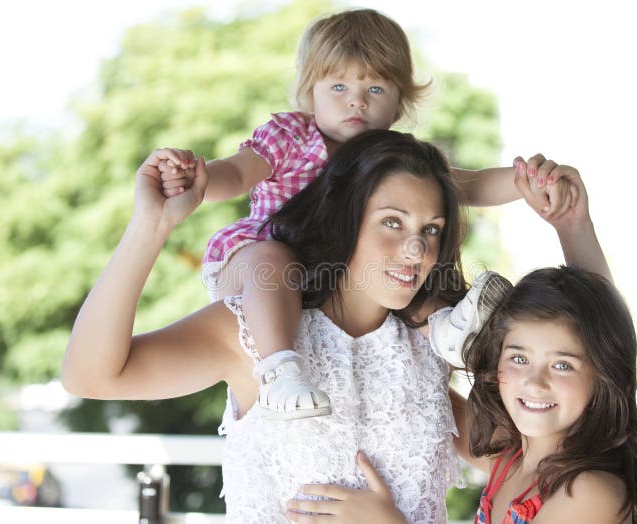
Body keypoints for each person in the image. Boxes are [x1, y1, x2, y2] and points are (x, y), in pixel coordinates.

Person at [151, 8, 577, 420]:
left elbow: (469, 184)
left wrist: (526, 183)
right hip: (260, 264)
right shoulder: (290, 137)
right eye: (338, 88)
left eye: (375, 90)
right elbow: (238, 172)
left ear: (400, 100)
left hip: (332, 272)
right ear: (310, 90)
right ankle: (280, 369)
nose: (356, 103)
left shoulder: (393, 158)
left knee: (407, 267)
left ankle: (445, 327)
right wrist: (199, 179)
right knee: (274, 258)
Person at [64, 130, 471, 523]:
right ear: (343, 219)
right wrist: (150, 225)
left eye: (430, 229)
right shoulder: (254, 332)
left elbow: (523, 466)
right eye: (393, 222)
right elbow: (90, 377)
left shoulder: (434, 344)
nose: (417, 249)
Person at [286, 268, 637, 524]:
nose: (535, 382)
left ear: (603, 376)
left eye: (562, 364)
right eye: (519, 358)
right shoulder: (511, 462)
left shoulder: (590, 493)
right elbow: (419, 393)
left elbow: (603, 317)